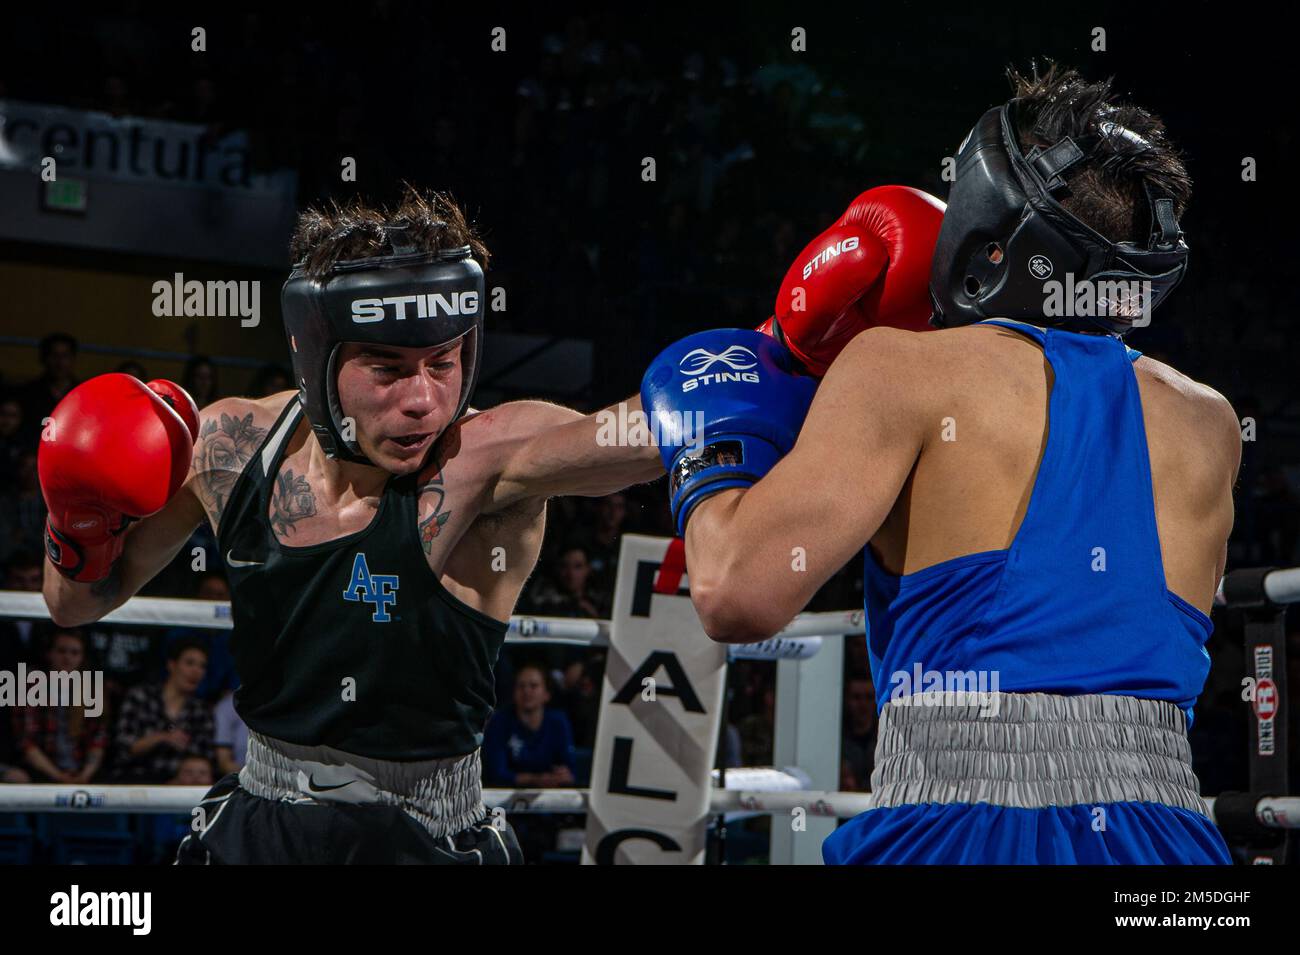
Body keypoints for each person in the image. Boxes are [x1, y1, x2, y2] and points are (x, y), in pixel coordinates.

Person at [644, 66, 1235, 864]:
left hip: (960, 821)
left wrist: (714, 437)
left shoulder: (902, 371)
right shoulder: (1210, 423)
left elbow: (733, 590)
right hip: (1171, 844)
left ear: (994, 221)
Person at [41, 188, 663, 864]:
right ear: (319, 359)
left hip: (429, 830)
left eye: (443, 362)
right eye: (388, 368)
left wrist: (772, 360)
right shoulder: (229, 448)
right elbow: (73, 602)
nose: (423, 400)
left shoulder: (488, 457)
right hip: (264, 820)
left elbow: (640, 438)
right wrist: (77, 521)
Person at [111, 639, 215, 783]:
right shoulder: (140, 697)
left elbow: (204, 756)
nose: (196, 671)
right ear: (172, 665)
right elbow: (125, 748)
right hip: (136, 780)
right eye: (189, 663)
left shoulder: (201, 710)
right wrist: (162, 737)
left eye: (202, 666)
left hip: (180, 784)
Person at [14, 629, 107, 784]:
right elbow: (27, 743)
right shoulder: (30, 686)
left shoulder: (91, 689)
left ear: (82, 657)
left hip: (81, 773)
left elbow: (98, 740)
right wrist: (58, 776)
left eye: (74, 652)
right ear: (50, 654)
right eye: (61, 651)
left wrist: (85, 775)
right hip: (42, 771)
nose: (67, 657)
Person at [482, 664, 577, 788]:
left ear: (546, 694)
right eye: (521, 686)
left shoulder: (558, 722)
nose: (526, 691)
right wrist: (535, 780)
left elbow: (571, 769)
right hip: (506, 796)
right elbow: (496, 773)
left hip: (549, 796)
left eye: (533, 686)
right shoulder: (500, 721)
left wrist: (564, 775)